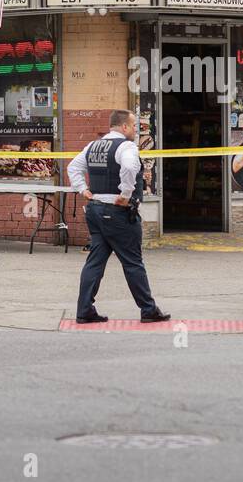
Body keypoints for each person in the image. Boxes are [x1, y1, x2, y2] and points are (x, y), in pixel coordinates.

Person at [67, 109, 169, 324]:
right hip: (117, 212)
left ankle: (84, 310)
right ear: (124, 127)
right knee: (133, 262)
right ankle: (148, 310)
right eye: (133, 126)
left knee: (94, 262)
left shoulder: (94, 145)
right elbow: (130, 166)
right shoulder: (126, 146)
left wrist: (82, 189)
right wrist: (125, 193)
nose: (135, 130)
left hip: (94, 210)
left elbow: (73, 167)